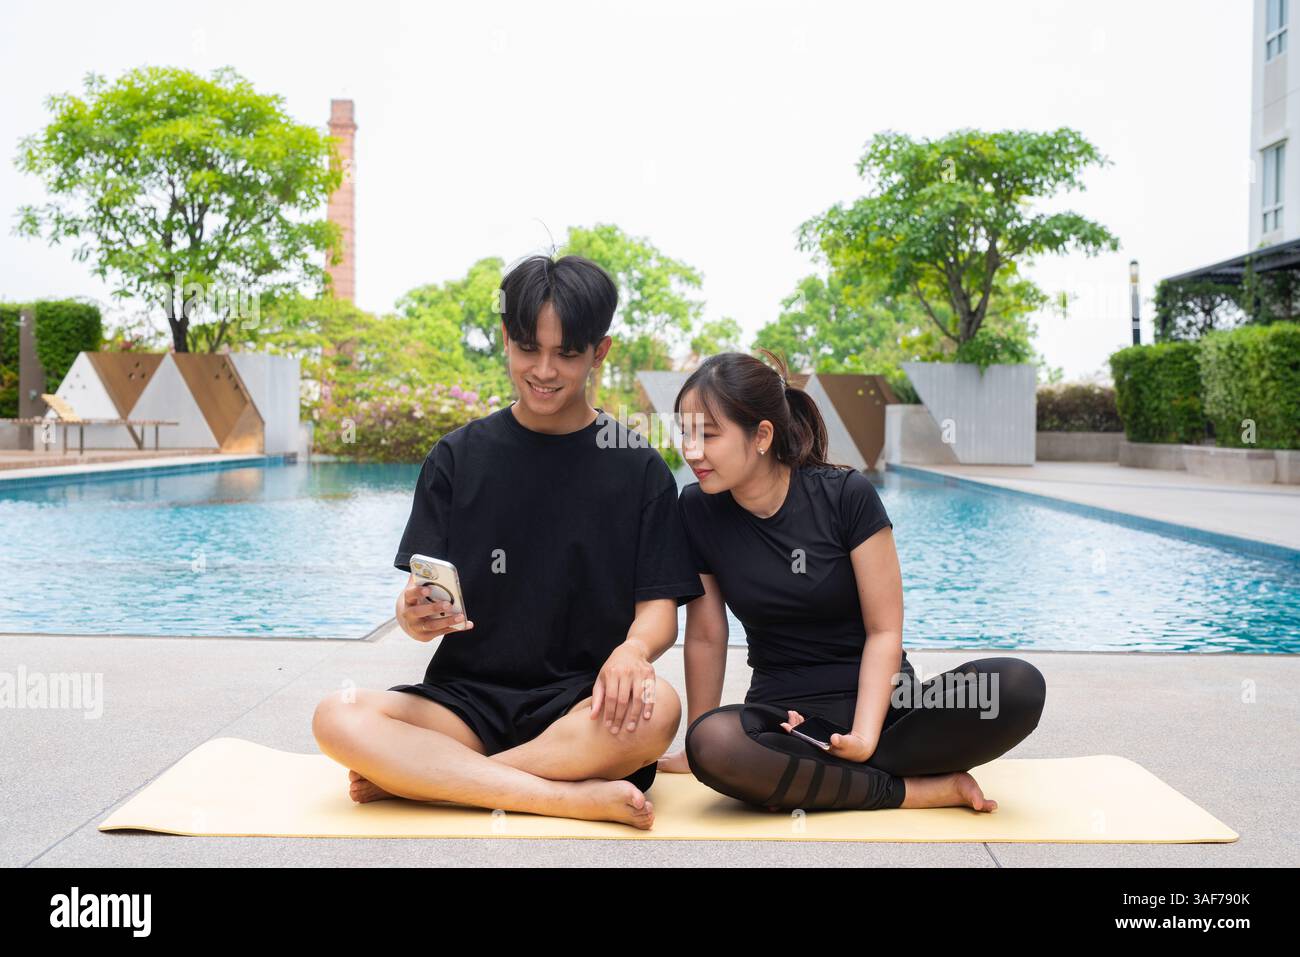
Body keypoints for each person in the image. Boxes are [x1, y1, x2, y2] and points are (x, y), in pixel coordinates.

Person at [312, 254, 704, 830]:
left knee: (660, 710)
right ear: (505, 338)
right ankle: (560, 796)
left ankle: (435, 782)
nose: (544, 370)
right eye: (528, 348)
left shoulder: (638, 468)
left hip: (583, 703)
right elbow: (420, 600)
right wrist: (413, 616)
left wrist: (633, 652)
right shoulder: (456, 457)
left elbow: (659, 617)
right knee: (335, 715)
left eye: (567, 353)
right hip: (464, 702)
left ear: (600, 351)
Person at [658, 349, 1047, 813]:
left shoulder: (846, 495)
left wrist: (863, 736)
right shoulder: (697, 508)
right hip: (788, 721)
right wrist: (695, 737)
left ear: (762, 435)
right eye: (685, 432)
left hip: (886, 709)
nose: (691, 450)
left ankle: (824, 777)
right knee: (714, 744)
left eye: (709, 435)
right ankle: (907, 790)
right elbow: (705, 633)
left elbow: (885, 630)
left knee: (1017, 685)